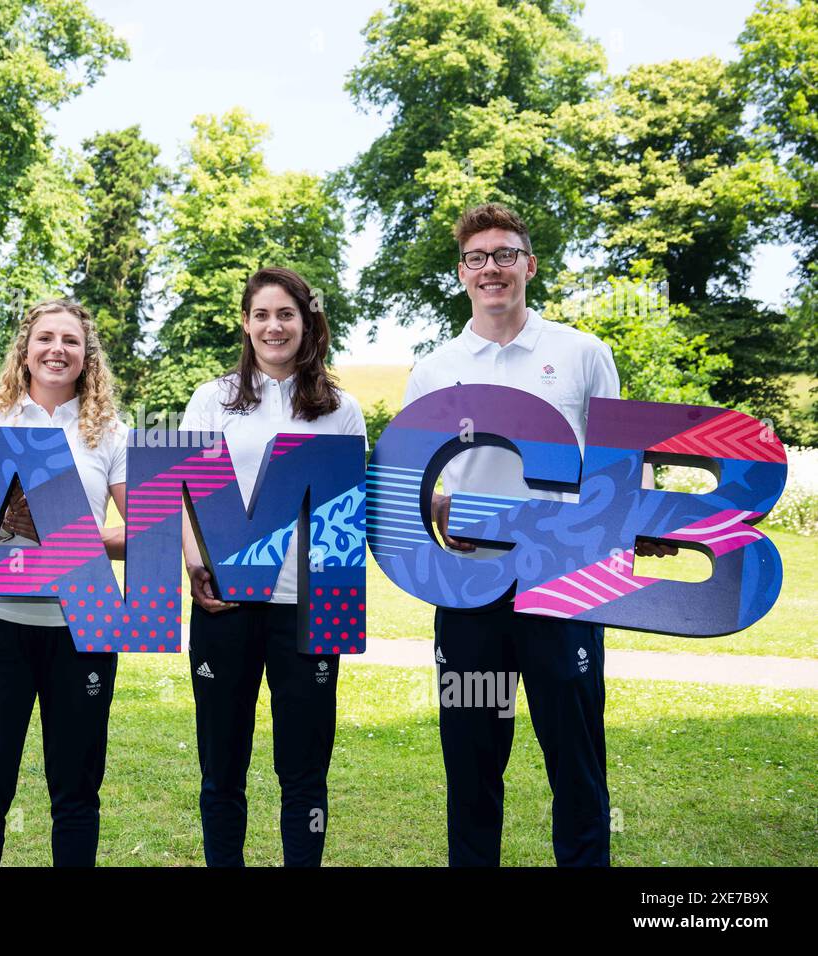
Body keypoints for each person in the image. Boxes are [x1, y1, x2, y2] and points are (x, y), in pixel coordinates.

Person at [403, 202, 674, 867]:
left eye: (503, 254)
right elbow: (412, 479)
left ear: (528, 263)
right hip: (470, 589)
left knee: (575, 761)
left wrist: (643, 534)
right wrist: (438, 507)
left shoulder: (581, 354)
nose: (490, 268)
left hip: (564, 583)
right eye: (476, 258)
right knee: (471, 762)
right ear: (461, 273)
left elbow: (617, 471)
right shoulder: (435, 368)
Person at [179, 266, 366, 867]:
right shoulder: (213, 399)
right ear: (245, 323)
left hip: (309, 612)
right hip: (225, 605)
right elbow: (183, 492)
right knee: (221, 768)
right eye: (261, 314)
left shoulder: (341, 408)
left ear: (307, 321)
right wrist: (194, 565)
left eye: (285, 313)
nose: (273, 326)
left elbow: (347, 513)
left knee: (305, 771)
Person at [0, 298, 129, 867]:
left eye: (71, 341)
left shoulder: (110, 434)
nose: (58, 349)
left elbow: (146, 534)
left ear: (86, 355)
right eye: (45, 338)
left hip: (82, 631)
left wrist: (77, 541)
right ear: (24, 350)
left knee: (75, 794)